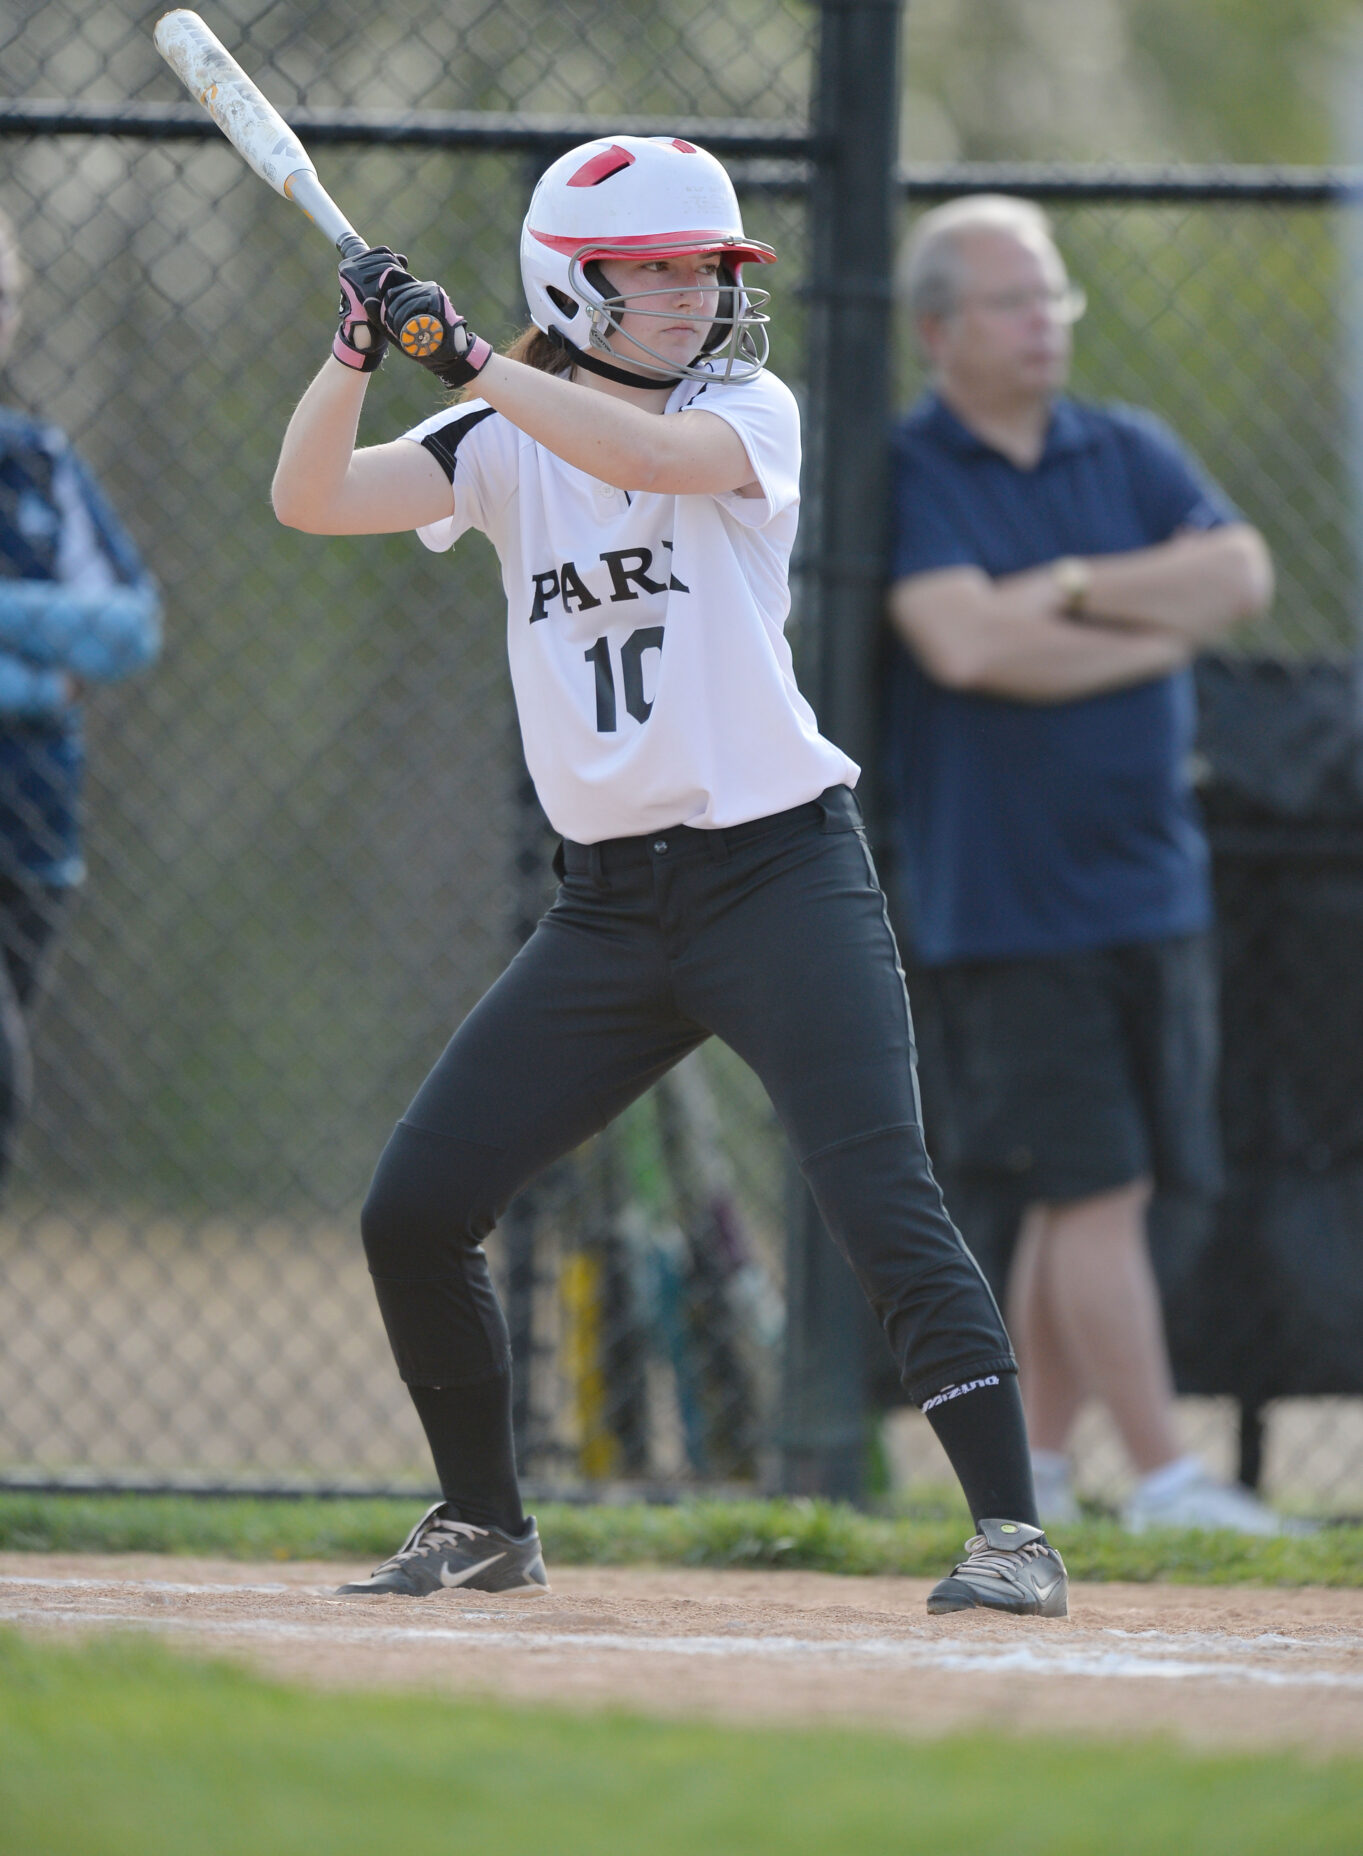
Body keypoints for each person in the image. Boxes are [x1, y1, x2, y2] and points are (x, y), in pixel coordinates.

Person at [272, 136, 1066, 1616]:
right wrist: (359, 352)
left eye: (708, 270)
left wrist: (466, 361)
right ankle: (484, 1521)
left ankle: (1010, 1534)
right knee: (415, 1205)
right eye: (656, 273)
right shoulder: (495, 444)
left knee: (877, 1198)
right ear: (574, 285)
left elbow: (633, 458)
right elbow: (309, 497)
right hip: (606, 913)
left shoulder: (744, 412)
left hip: (776, 879)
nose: (696, 295)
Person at [885, 194, 1283, 1535]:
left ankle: (1039, 1471)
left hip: (1148, 886)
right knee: (1089, 1189)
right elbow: (964, 648)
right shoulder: (912, 471)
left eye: (1048, 295)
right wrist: (1125, 605)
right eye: (1008, 299)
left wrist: (1051, 592)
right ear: (937, 329)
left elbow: (1234, 575)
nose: (1039, 321)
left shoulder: (1128, 447)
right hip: (1006, 904)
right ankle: (1165, 1478)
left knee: (1090, 1199)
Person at [0, 207, 161, 1192]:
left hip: (30, 835)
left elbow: (130, 627)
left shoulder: (39, 461)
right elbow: (75, 640)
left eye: (4, 296)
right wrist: (38, 670)